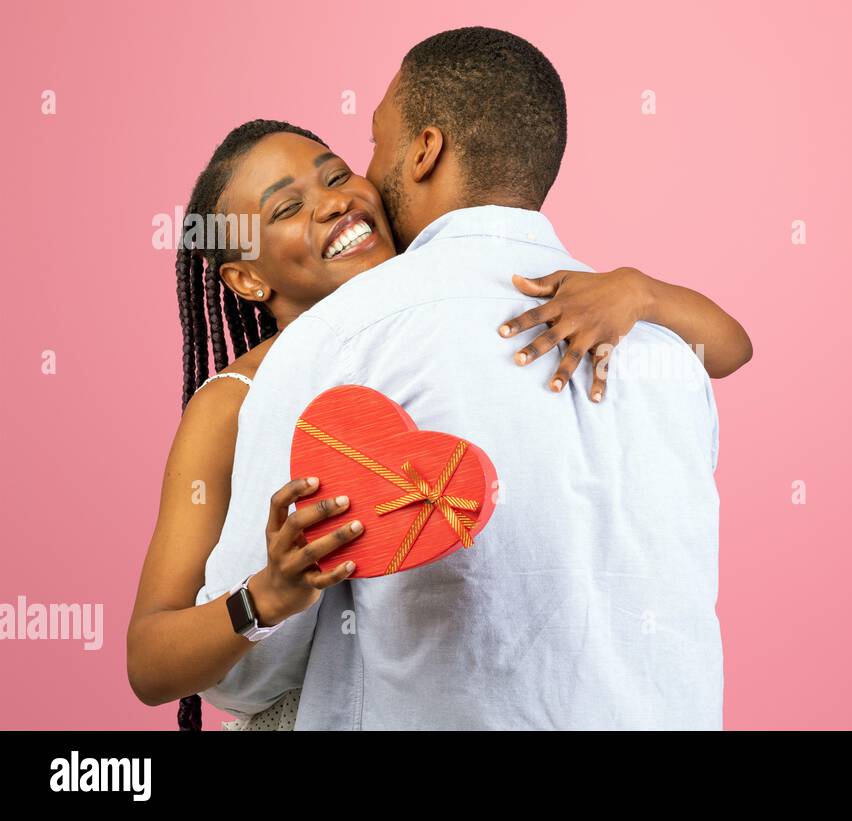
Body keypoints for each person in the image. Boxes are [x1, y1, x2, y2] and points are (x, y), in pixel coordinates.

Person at [127, 113, 750, 728]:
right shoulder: (235, 399)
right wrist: (264, 597)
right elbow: (151, 662)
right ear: (245, 278)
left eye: (337, 175)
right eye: (287, 210)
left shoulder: (471, 317)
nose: (331, 203)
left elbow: (729, 347)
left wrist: (638, 292)